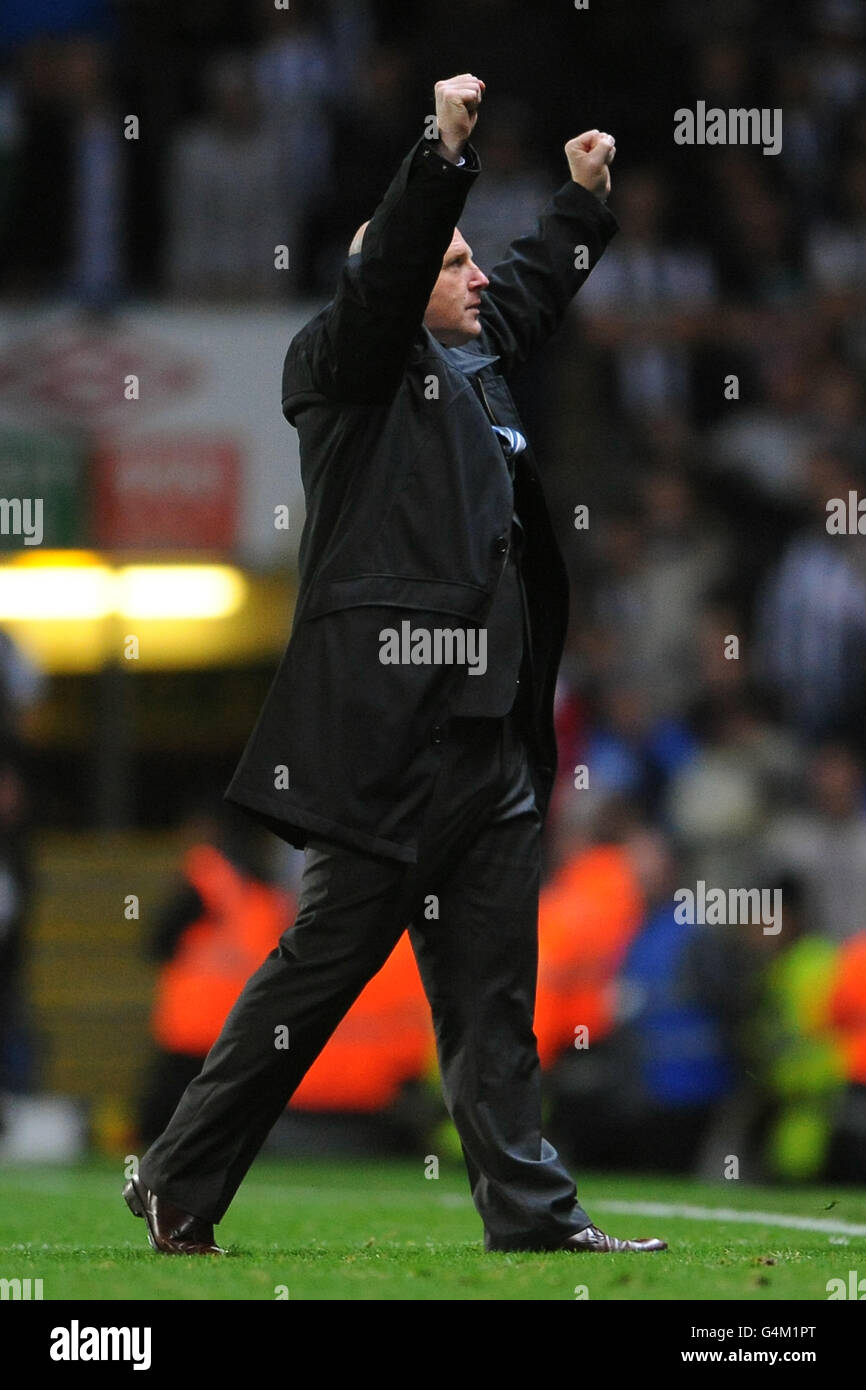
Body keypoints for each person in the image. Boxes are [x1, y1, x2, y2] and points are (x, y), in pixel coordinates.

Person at [125, 73, 667, 1256]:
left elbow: (519, 294)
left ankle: (530, 1218)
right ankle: (176, 1177)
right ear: (402, 277)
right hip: (390, 742)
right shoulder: (345, 366)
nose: (476, 275)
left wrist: (578, 204)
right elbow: (389, 281)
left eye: (473, 260)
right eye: (453, 259)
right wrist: (440, 152)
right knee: (315, 978)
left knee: (493, 1003)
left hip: (489, 740)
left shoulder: (473, 369)